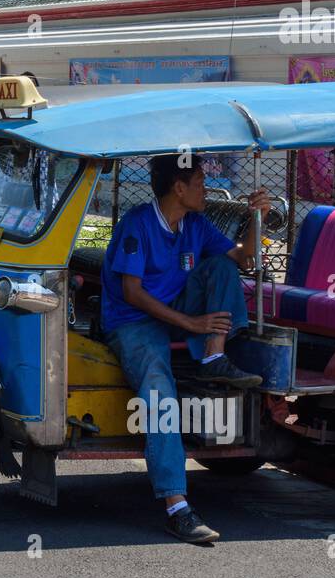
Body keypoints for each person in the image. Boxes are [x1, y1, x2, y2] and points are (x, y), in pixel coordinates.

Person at [101, 153, 267, 545]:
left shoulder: (195, 224)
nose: (205, 190)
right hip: (133, 323)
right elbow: (132, 293)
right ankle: (177, 506)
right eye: (199, 183)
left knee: (222, 269)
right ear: (179, 188)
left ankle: (213, 357)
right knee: (159, 395)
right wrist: (191, 323)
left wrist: (255, 218)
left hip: (173, 310)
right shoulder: (137, 224)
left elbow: (240, 258)